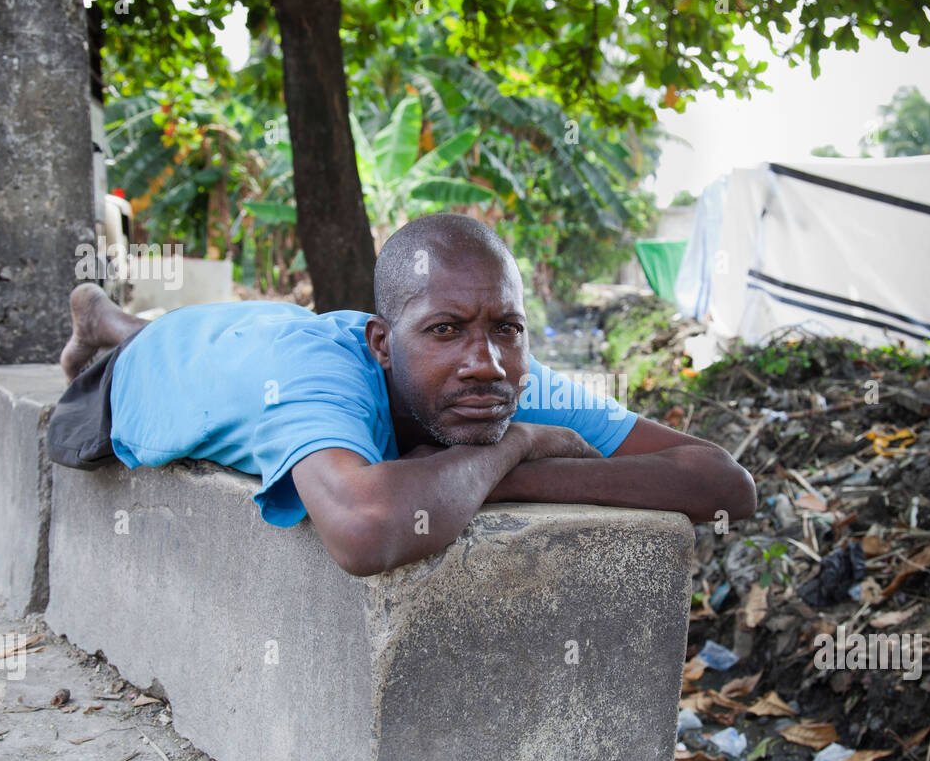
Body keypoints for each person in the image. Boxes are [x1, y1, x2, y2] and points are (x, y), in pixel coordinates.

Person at [47, 213, 756, 576]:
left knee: (254, 325)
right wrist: (518, 444)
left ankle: (113, 318)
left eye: (507, 327)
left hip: (269, 331)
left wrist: (507, 475)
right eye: (445, 328)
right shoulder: (315, 378)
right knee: (173, 339)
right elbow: (364, 527)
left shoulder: (501, 368)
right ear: (384, 344)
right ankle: (109, 327)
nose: (485, 364)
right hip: (159, 372)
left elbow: (726, 485)